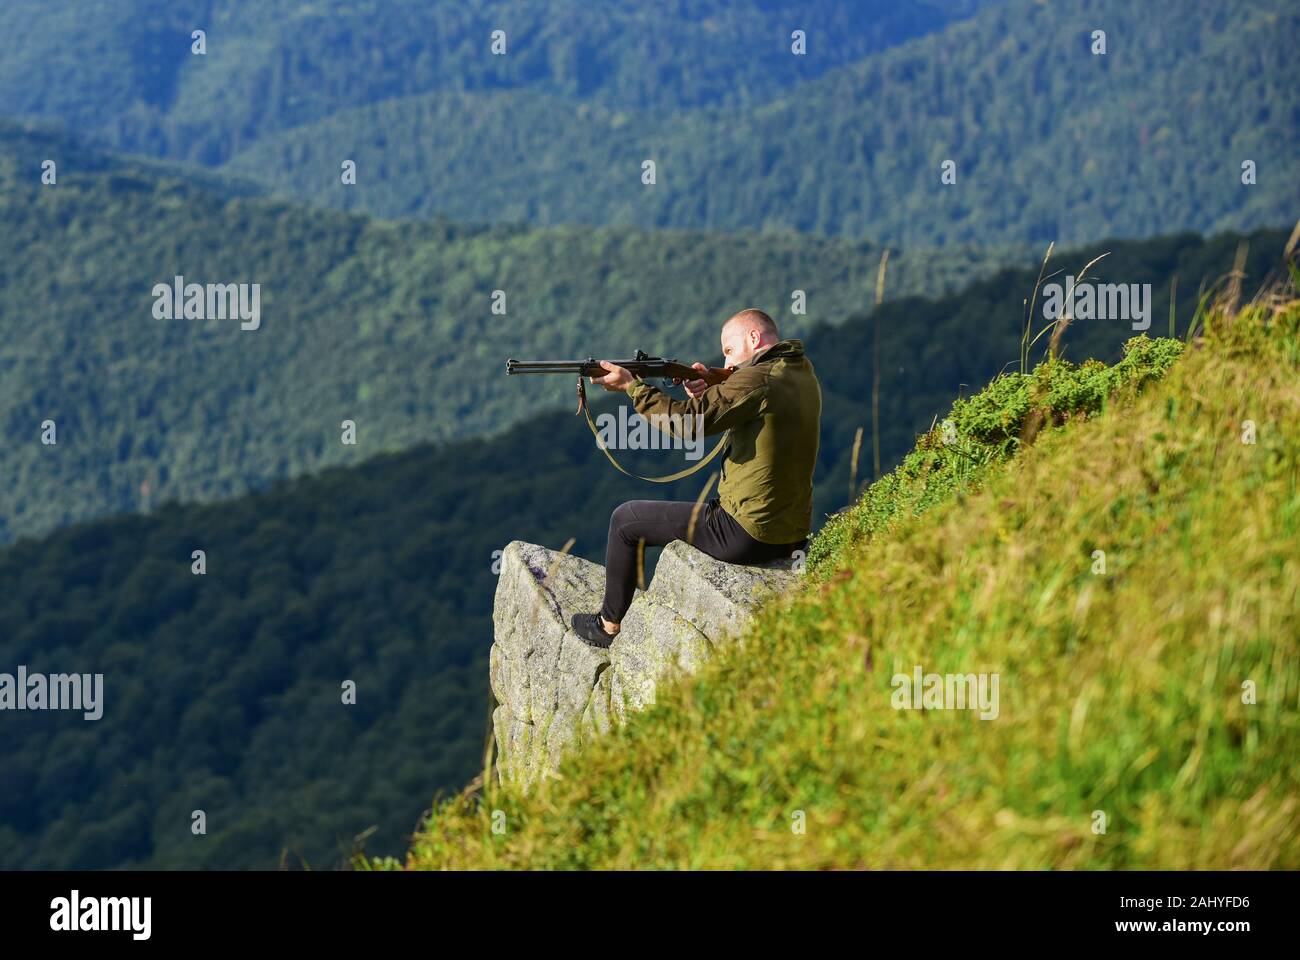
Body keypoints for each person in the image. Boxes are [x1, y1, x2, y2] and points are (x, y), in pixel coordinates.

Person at [570, 308, 822, 647]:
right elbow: (749, 404)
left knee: (625, 520)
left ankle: (607, 626)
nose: (726, 360)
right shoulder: (799, 369)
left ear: (754, 339)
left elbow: (687, 424)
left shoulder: (756, 379)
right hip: (791, 534)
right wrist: (715, 387)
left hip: (746, 532)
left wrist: (634, 388)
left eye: (729, 351)